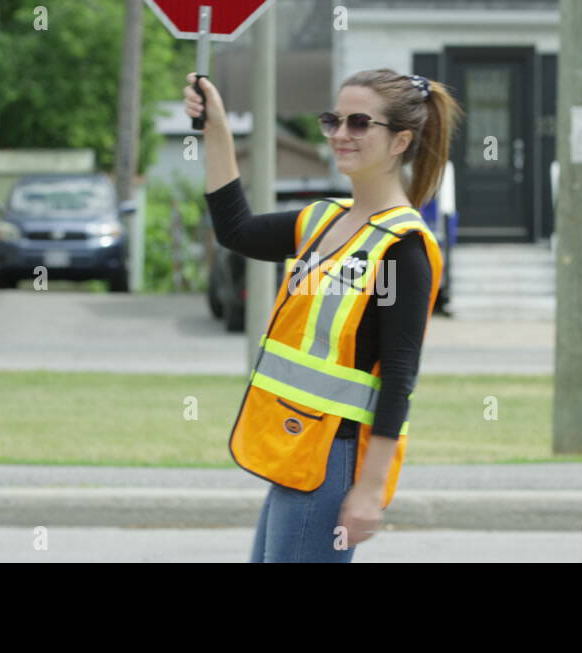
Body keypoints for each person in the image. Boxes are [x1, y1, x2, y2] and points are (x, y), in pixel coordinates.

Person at [184, 68, 464, 563]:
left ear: (400, 140)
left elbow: (399, 380)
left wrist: (369, 492)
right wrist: (218, 129)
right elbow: (236, 230)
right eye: (333, 120)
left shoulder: (404, 248)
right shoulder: (322, 220)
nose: (340, 134)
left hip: (332, 462)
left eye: (359, 123)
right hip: (296, 452)